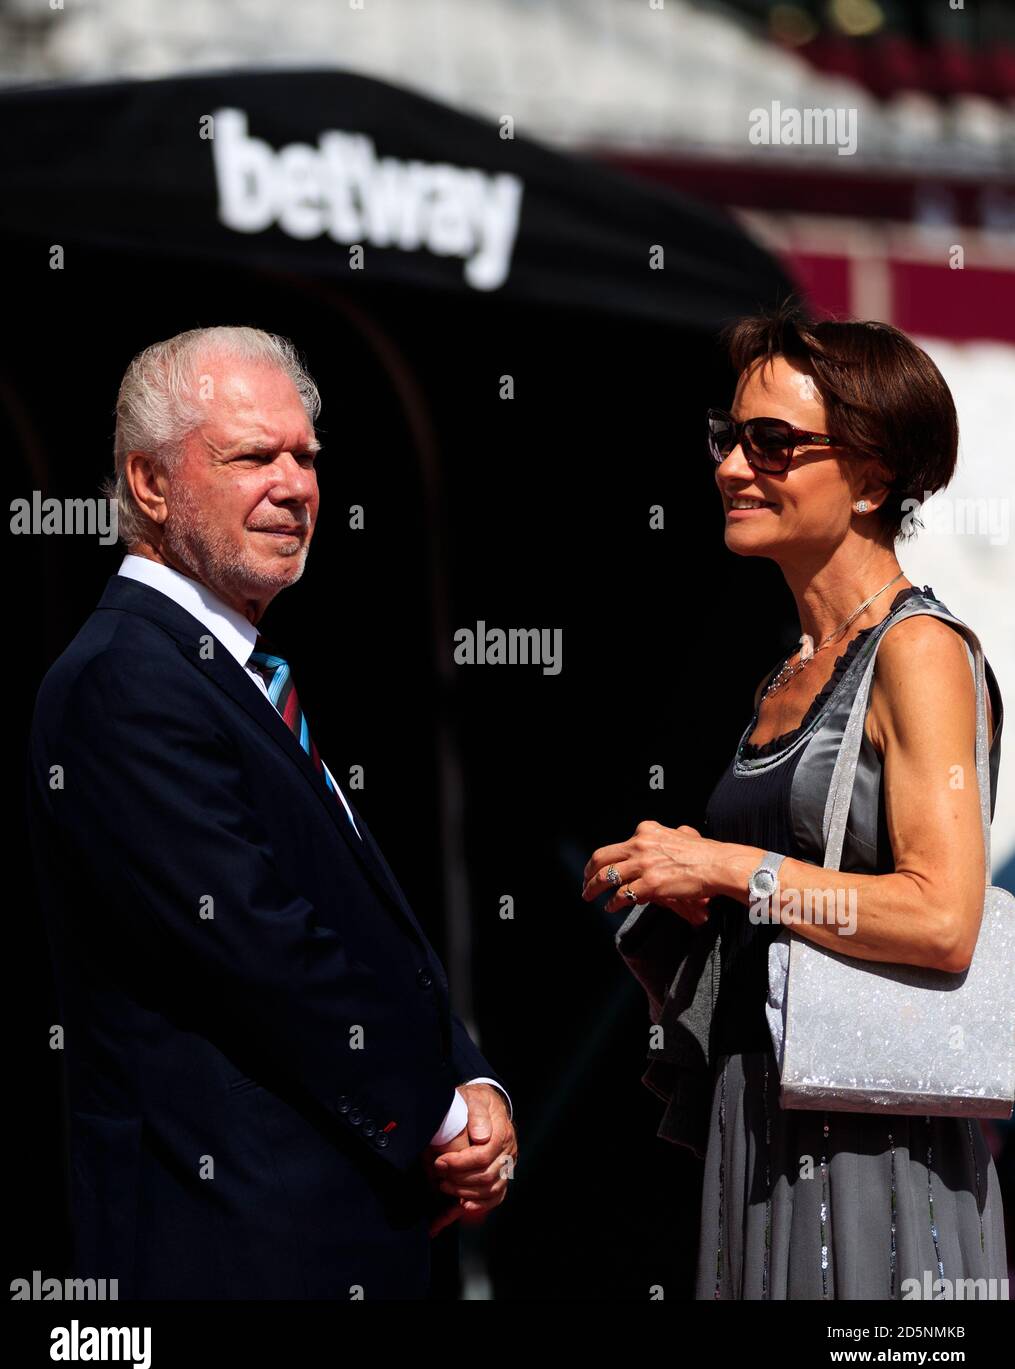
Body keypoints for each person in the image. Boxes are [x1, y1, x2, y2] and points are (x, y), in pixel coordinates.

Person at [27, 325, 516, 1299]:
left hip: (327, 1233)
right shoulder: (125, 678)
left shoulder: (236, 671)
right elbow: (261, 944)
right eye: (254, 455)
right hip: (225, 1245)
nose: (294, 486)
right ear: (151, 484)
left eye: (306, 457)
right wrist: (441, 1113)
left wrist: (472, 1076)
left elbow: (363, 922)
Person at [582, 304, 1006, 1299]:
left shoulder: (919, 653)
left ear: (872, 477)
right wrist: (693, 887)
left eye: (771, 443)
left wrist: (728, 867)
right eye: (727, 438)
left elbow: (944, 920)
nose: (732, 467)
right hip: (763, 1115)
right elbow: (798, 889)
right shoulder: (786, 677)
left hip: (876, 1144)